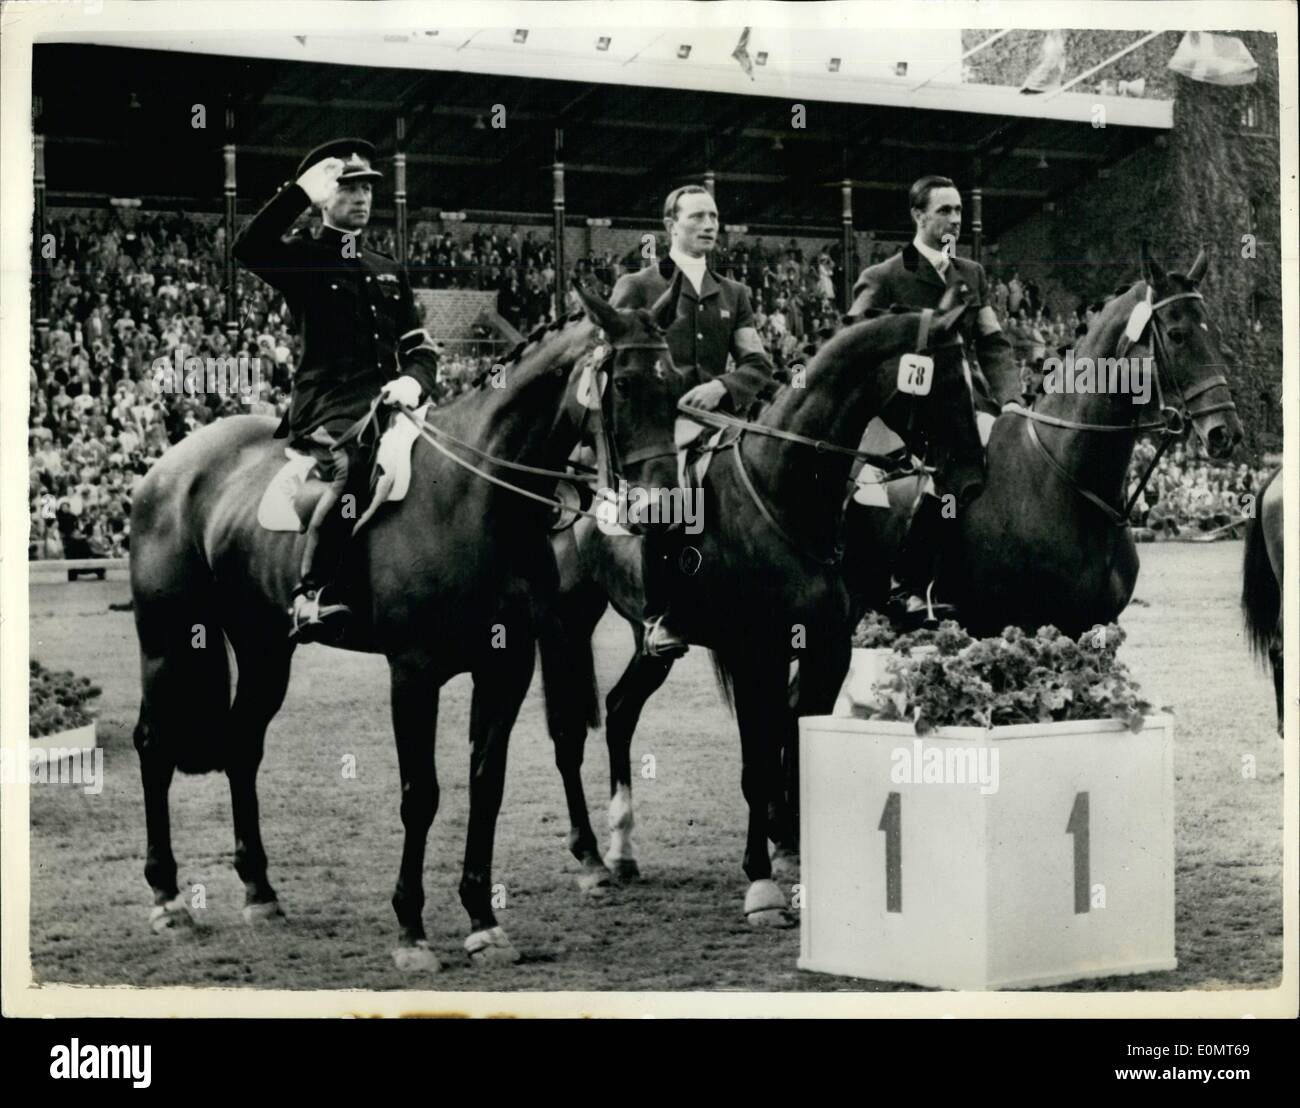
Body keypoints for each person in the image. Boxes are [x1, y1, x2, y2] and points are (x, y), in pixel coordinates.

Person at [233, 138, 440, 643]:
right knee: (353, 466)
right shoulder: (303, 258)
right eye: (348, 186)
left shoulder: (390, 268)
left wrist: (414, 379)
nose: (362, 197)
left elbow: (420, 346)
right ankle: (310, 593)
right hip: (329, 409)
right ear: (325, 195)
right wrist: (297, 194)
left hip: (394, 404)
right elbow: (248, 248)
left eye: (367, 187)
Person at [608, 184, 775, 657]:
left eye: (715, 218)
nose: (709, 226)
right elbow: (614, 359)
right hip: (660, 425)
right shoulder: (639, 286)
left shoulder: (734, 292)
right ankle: (662, 613)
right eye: (698, 217)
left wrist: (724, 386)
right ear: (669, 226)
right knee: (674, 487)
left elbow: (757, 365)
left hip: (723, 418)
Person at [848, 174, 1019, 627]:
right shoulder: (882, 277)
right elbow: (851, 344)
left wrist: (1012, 400)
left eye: (959, 211)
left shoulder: (971, 274)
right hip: (902, 410)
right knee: (941, 478)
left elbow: (994, 344)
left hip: (966, 404)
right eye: (944, 210)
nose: (955, 220)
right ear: (918, 215)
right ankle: (905, 584)